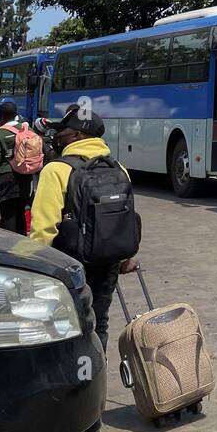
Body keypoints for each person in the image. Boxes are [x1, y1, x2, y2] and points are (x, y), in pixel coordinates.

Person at [28, 105, 138, 349]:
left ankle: (74, 379)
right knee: (99, 322)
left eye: (62, 131)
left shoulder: (57, 169)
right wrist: (125, 258)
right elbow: (124, 219)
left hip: (69, 264)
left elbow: (44, 228)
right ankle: (97, 373)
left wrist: (33, 268)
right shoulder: (119, 169)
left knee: (65, 326)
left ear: (77, 135)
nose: (57, 136)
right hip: (108, 262)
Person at [0, 100, 35, 233]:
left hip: (6, 181)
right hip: (26, 179)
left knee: (8, 215)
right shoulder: (28, 130)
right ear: (16, 114)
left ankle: (10, 249)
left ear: (0, 115)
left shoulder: (0, 133)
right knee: (21, 214)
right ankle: (21, 248)